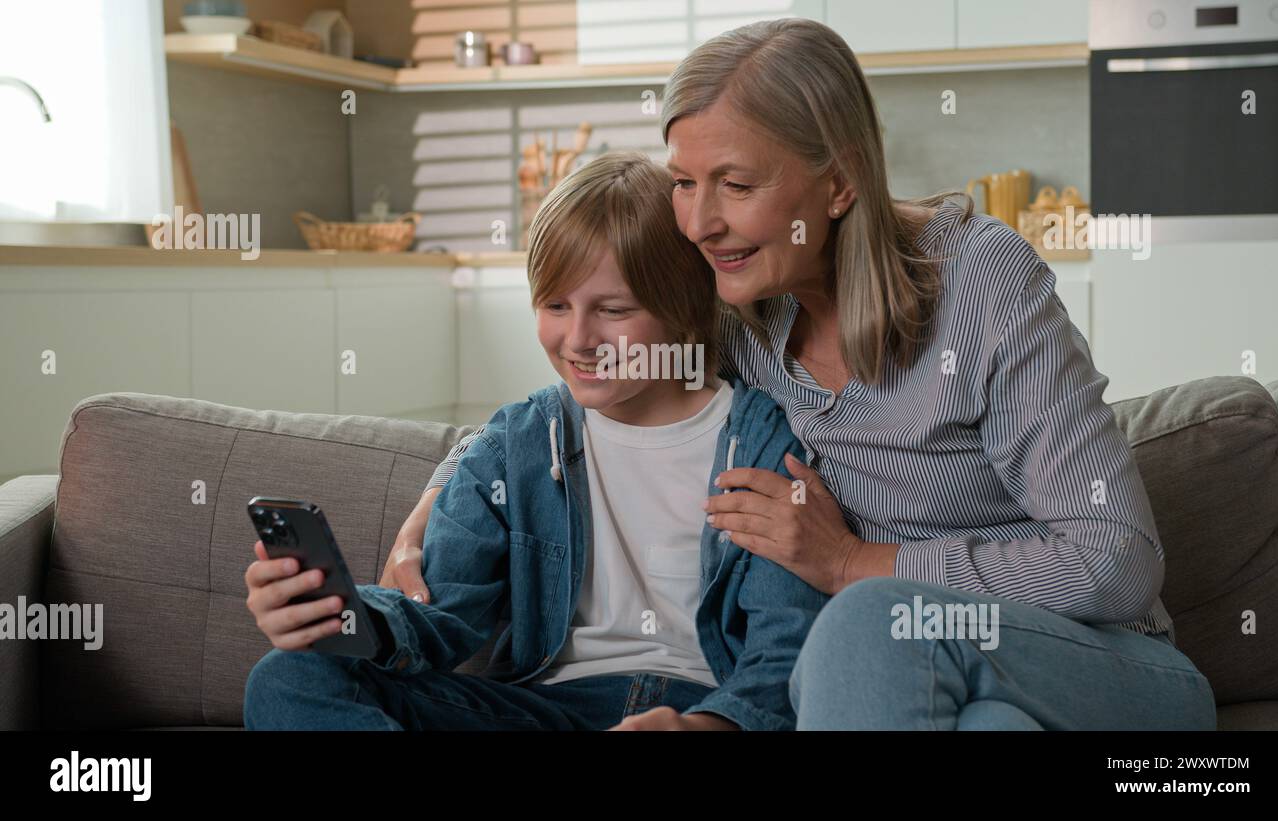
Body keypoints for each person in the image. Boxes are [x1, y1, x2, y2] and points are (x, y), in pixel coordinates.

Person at [387, 19, 1217, 730]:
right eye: (684, 183)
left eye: (735, 184)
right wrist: (433, 504)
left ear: (840, 182)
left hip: (1100, 663)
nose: (700, 223)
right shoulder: (739, 308)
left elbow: (1116, 562)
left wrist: (856, 562)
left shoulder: (980, 282)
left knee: (866, 622)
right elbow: (581, 394)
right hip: (925, 676)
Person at [242, 151, 829, 731]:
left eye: (613, 309)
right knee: (288, 677)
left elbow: (784, 651)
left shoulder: (762, 444)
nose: (578, 339)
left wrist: (707, 726)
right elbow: (439, 616)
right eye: (555, 305)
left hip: (699, 710)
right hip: (546, 708)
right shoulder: (518, 442)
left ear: (683, 310)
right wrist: (340, 617)